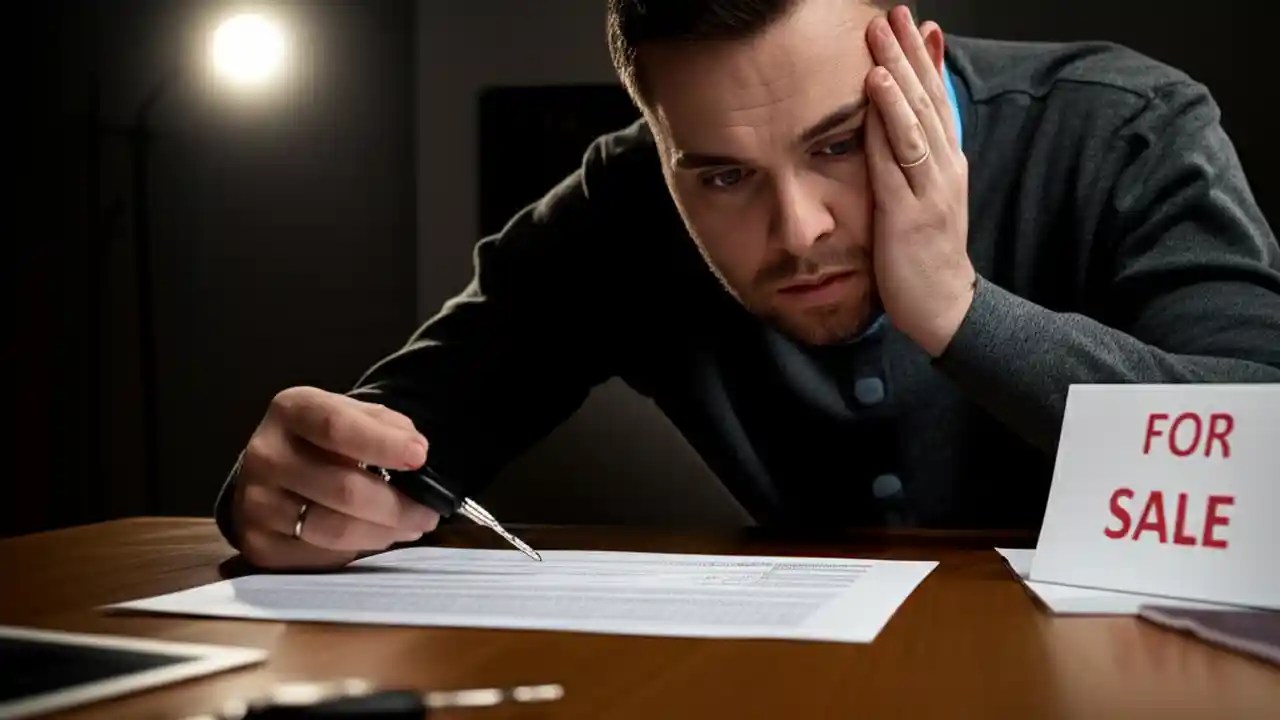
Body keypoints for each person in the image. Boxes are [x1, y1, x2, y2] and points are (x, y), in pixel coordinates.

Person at [217, 0, 1280, 569]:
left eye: (839, 143)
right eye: (720, 174)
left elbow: (1264, 463)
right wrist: (302, 485)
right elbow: (398, 429)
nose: (798, 229)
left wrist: (959, 309)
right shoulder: (621, 205)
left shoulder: (1124, 128)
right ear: (656, 133)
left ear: (912, 49)